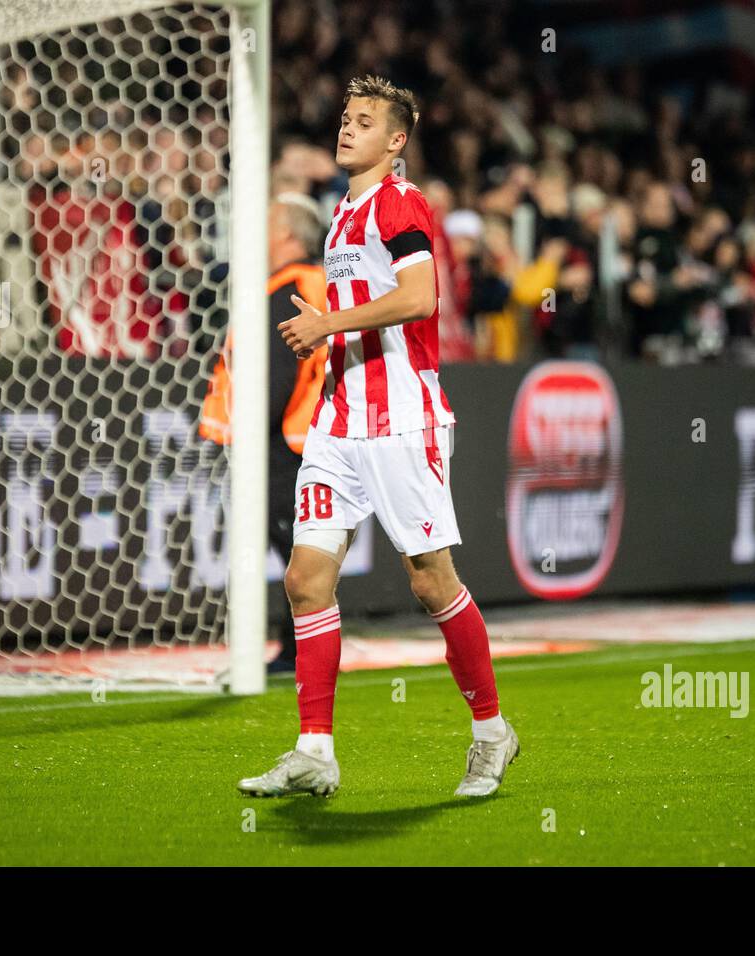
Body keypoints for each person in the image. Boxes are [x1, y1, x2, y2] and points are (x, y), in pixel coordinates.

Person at [238, 76, 518, 800]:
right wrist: (323, 336)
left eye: (364, 121)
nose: (347, 128)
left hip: (401, 420)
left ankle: (491, 733)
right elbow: (366, 305)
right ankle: (314, 750)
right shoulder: (341, 215)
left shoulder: (401, 202)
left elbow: (422, 297)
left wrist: (328, 323)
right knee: (304, 579)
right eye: (345, 117)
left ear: (396, 140)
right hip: (339, 419)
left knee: (431, 582)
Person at [199, 195, 329, 672]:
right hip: (309, 436)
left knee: (291, 546)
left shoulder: (288, 288)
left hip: (285, 441)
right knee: (298, 546)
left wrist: (255, 430)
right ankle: (299, 647)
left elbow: (281, 373)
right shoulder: (313, 282)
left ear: (287, 235)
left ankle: (296, 649)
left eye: (268, 222)